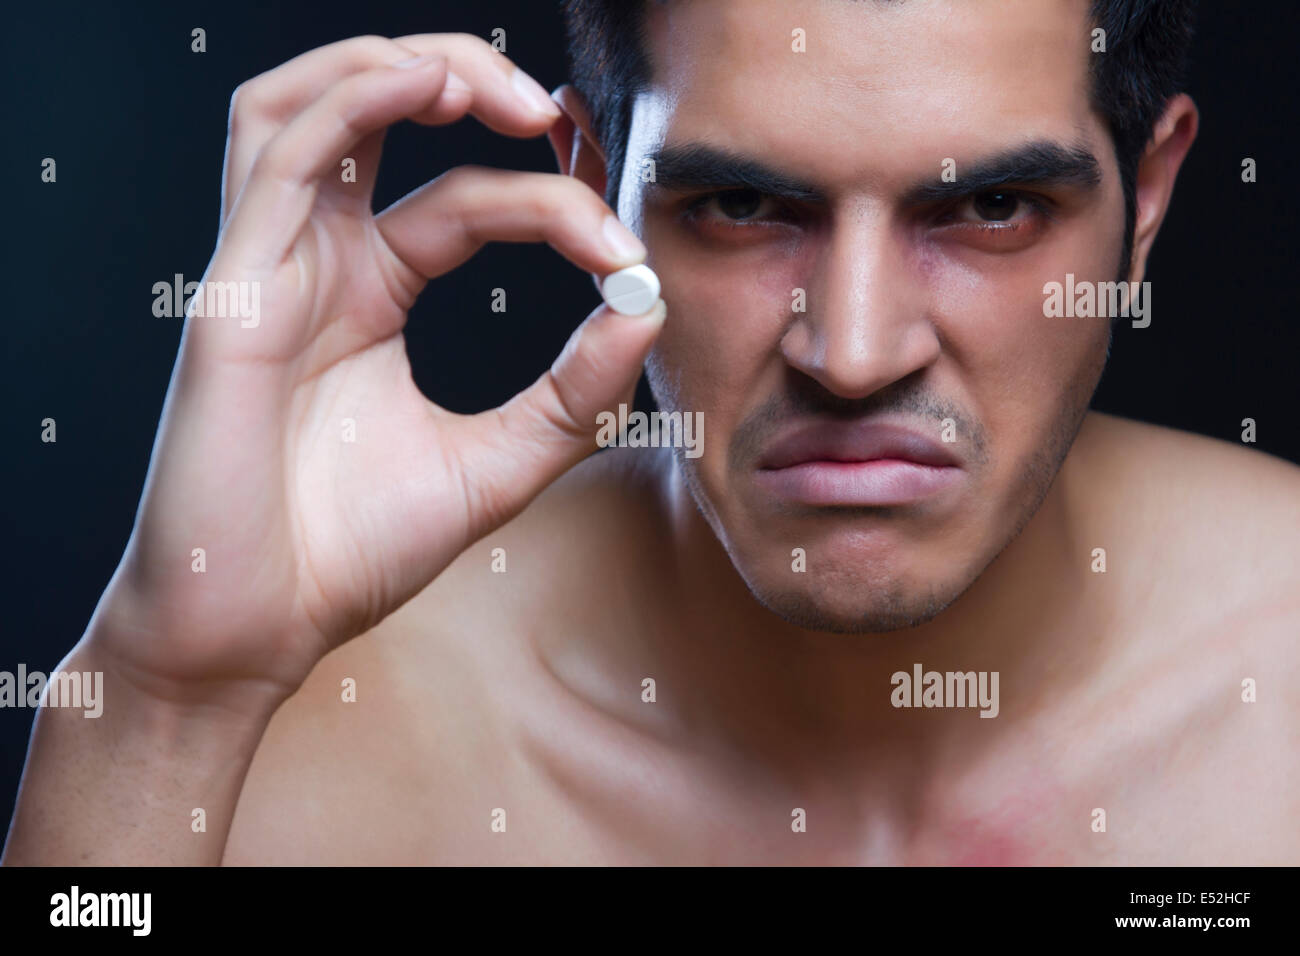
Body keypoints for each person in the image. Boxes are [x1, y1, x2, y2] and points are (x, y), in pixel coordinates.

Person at [5, 0, 1298, 866]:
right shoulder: (336, 732)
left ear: (1145, 204)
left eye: (992, 208)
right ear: (587, 201)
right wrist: (167, 703)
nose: (851, 351)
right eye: (742, 204)